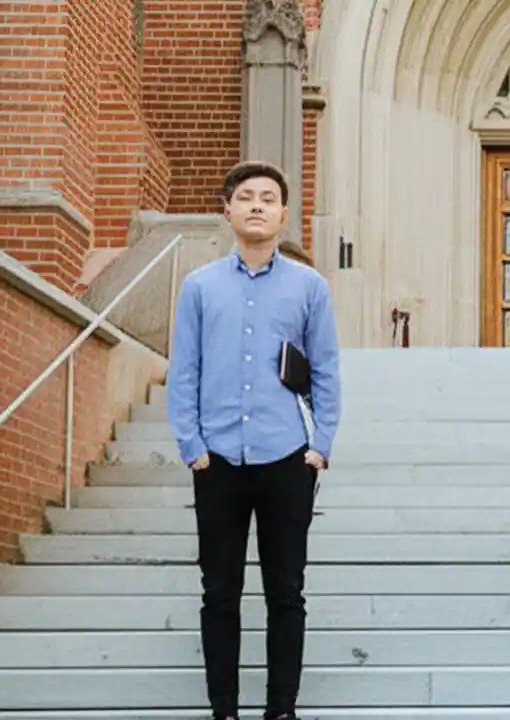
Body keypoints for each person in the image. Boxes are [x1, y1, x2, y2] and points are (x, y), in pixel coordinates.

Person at [167, 160, 341, 720]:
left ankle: (281, 709)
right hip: (216, 458)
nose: (258, 205)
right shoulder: (199, 287)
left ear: (284, 213)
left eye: (268, 197)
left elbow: (326, 369)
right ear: (228, 210)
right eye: (246, 197)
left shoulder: (309, 287)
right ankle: (224, 710)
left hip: (287, 456)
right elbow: (184, 370)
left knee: (285, 593)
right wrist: (192, 446)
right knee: (219, 593)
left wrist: (321, 445)